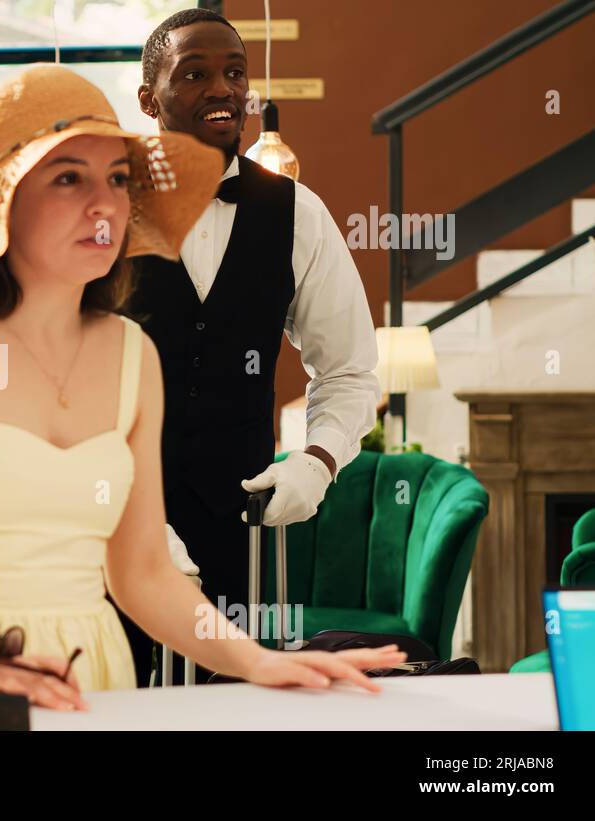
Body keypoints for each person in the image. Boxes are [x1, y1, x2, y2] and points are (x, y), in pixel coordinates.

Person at [0, 64, 403, 711]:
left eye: (119, 179)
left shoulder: (131, 354)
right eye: (69, 177)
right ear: (2, 199)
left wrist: (259, 660)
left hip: (92, 682)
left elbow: (145, 574)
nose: (104, 204)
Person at [120, 8, 381, 685]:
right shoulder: (104, 209)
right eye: (196, 74)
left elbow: (350, 369)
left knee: (240, 713)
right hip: (111, 522)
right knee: (106, 705)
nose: (223, 89)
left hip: (246, 530)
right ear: (149, 99)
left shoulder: (298, 213)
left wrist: (316, 464)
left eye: (235, 73)